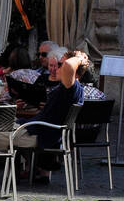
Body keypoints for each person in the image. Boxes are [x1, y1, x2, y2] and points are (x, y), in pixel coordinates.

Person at [13, 49, 86, 184]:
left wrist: (80, 58)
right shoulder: (72, 89)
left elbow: (69, 66)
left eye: (61, 65)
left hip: (36, 134)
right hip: (35, 130)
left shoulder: (71, 88)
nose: (56, 69)